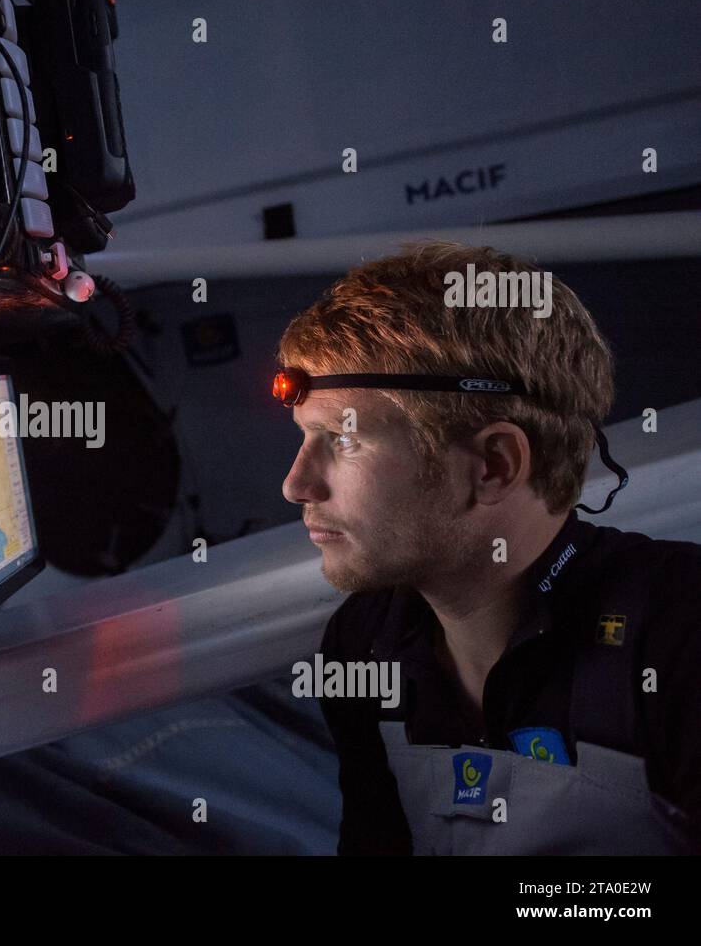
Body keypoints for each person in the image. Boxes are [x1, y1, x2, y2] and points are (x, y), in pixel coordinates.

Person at [275, 241, 700, 854]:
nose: (296, 484)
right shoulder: (365, 641)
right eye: (303, 439)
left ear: (495, 465)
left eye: (342, 441)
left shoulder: (678, 634)